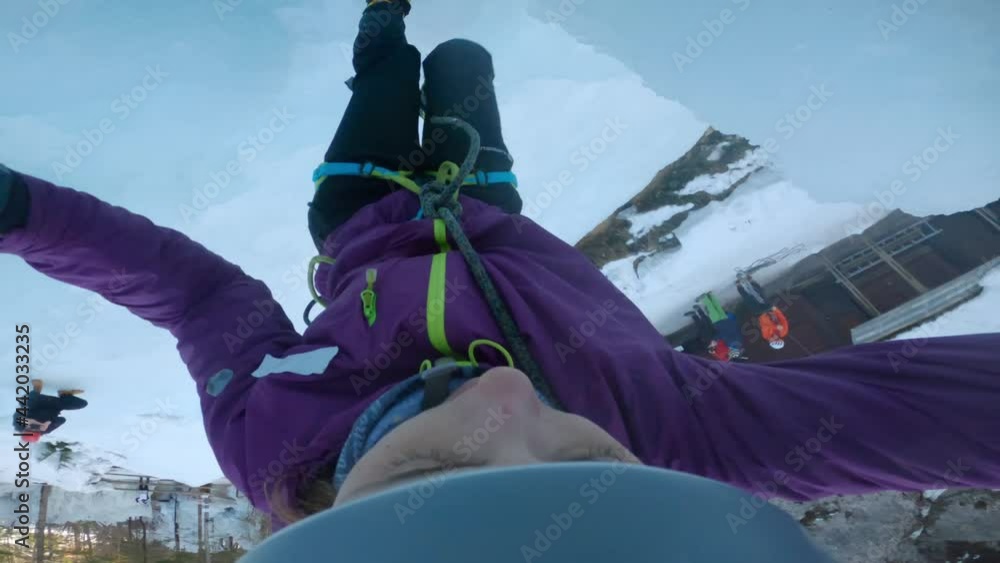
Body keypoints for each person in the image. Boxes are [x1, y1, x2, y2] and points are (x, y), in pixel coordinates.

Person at [2, 0, 998, 533]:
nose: (506, 399)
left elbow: (202, 296)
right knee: (468, 57)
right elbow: (946, 417)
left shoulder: (269, 439)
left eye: (428, 462)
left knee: (390, 62)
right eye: (580, 458)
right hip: (486, 203)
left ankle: (378, 24)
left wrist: (24, 214)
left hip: (356, 208)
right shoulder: (689, 439)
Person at [11, 380, 87, 443]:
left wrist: (26, 419)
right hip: (53, 406)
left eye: (29, 428)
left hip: (37, 402)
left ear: (24, 430)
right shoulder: (46, 430)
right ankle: (64, 394)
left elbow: (18, 412)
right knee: (82, 404)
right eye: (35, 429)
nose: (33, 427)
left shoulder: (19, 425)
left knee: (27, 402)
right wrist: (50, 423)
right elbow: (62, 420)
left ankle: (37, 388)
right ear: (39, 433)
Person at [737, 272, 789, 350]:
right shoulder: (783, 331)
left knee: (749, 301)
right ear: (777, 339)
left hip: (761, 315)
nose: (770, 340)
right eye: (772, 341)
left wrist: (775, 326)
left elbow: (765, 326)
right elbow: (782, 318)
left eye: (770, 342)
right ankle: (751, 281)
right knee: (760, 295)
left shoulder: (766, 336)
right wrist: (776, 309)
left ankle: (739, 287)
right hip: (770, 311)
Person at [696, 292, 745, 360]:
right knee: (712, 311)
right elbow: (723, 334)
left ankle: (711, 296)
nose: (730, 352)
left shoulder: (740, 341)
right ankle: (704, 298)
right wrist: (715, 339)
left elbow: (736, 330)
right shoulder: (731, 344)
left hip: (728, 322)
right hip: (720, 324)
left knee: (718, 308)